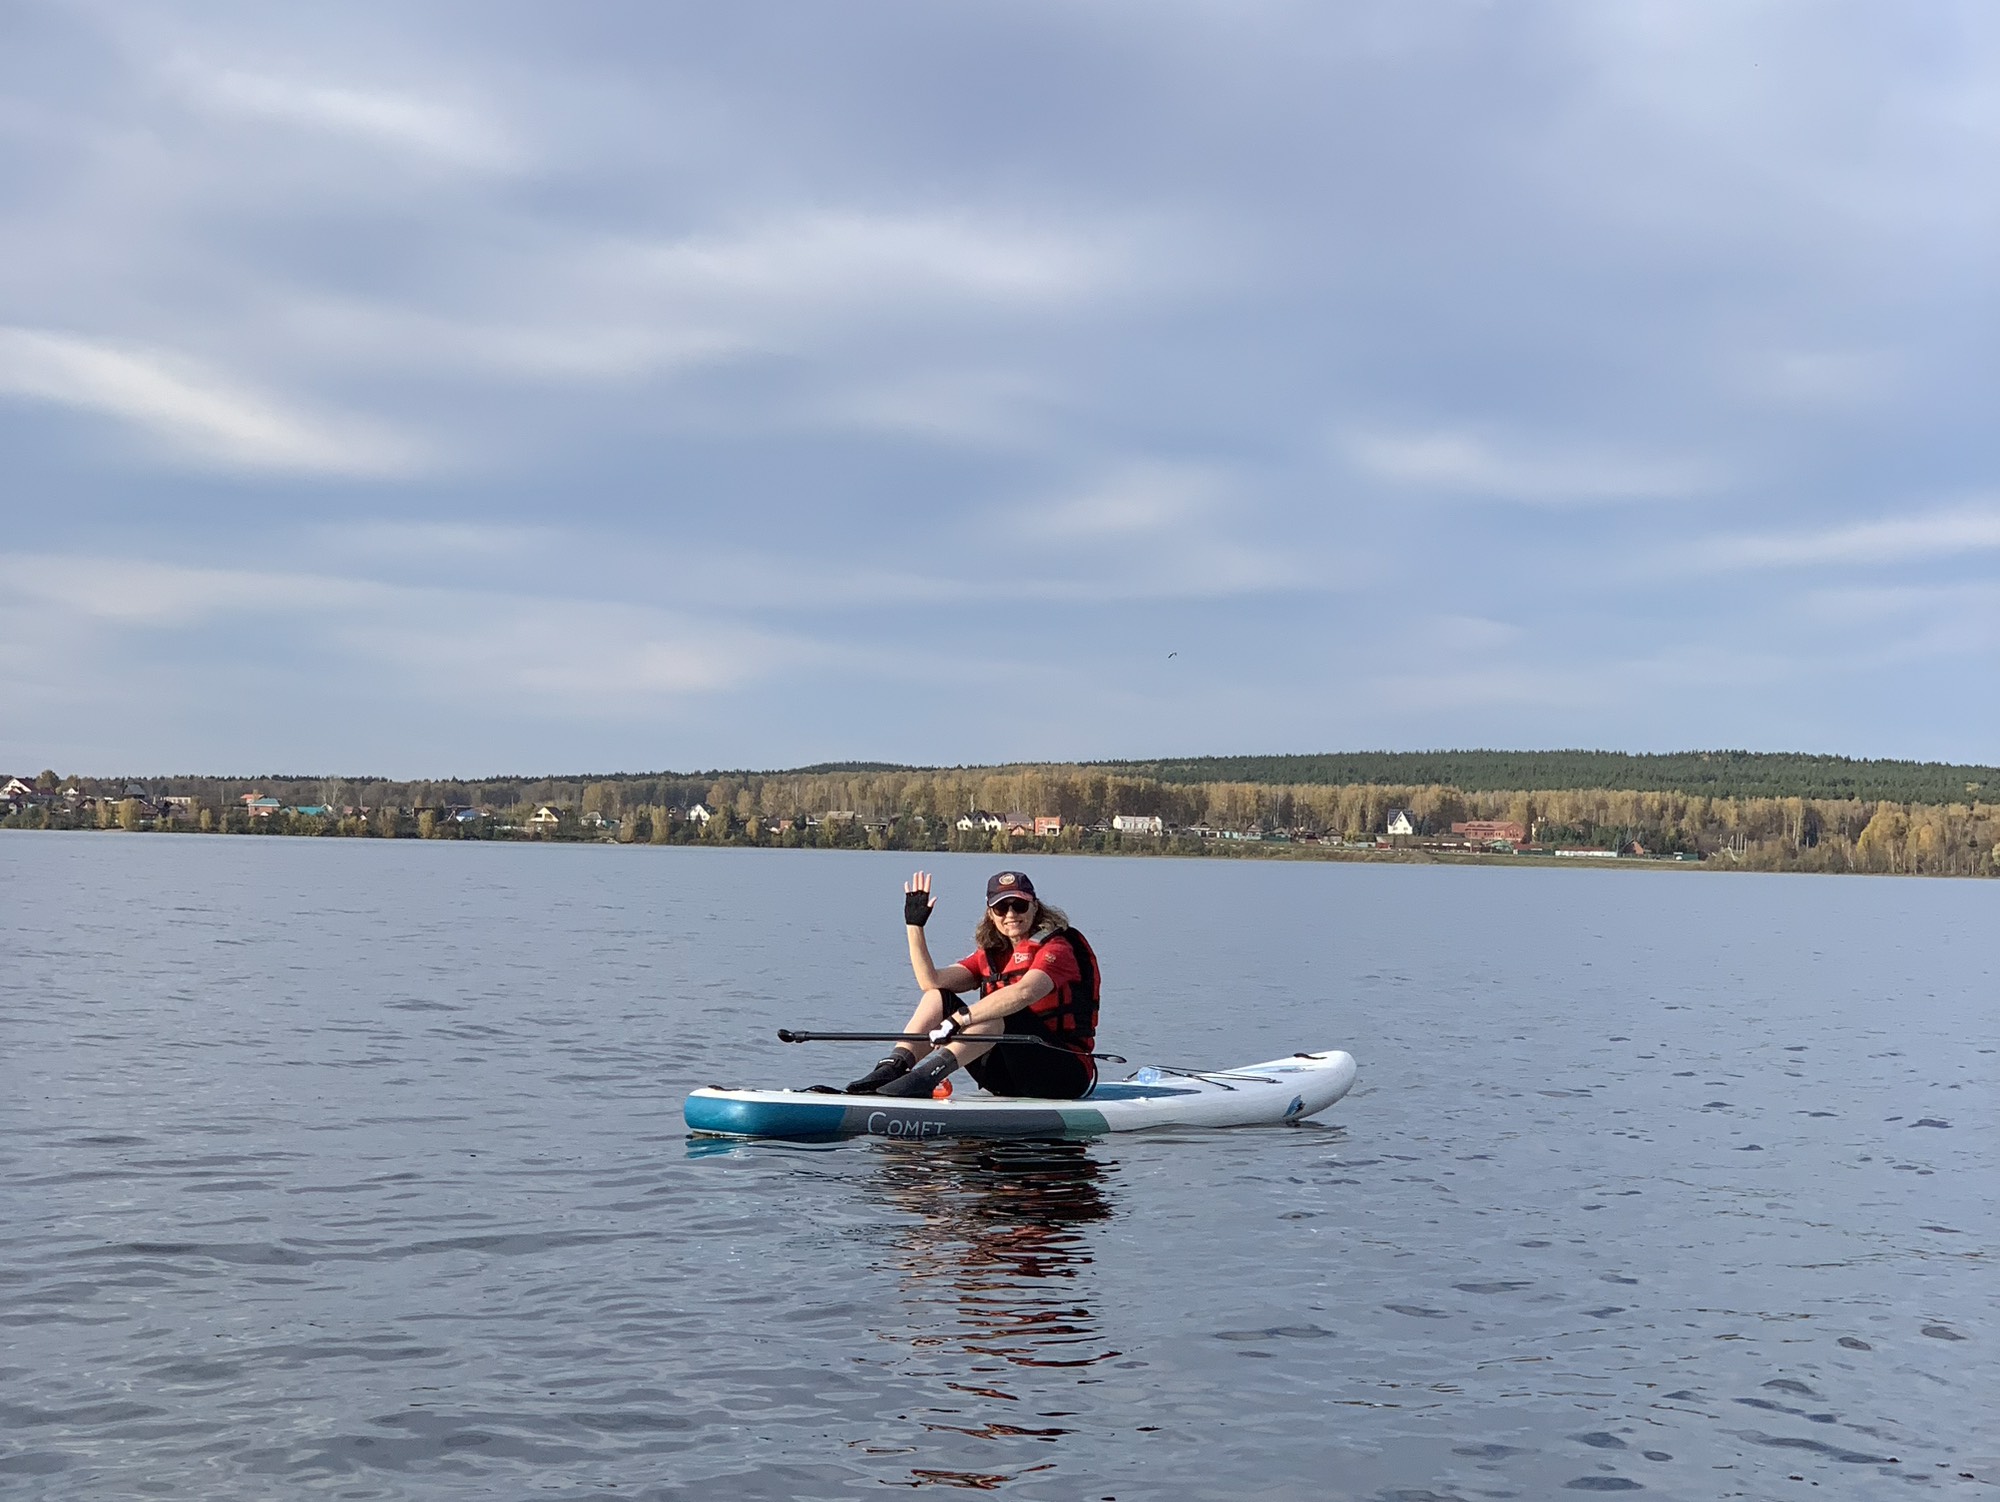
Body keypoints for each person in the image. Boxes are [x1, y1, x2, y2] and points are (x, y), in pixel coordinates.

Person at [846, 869, 1101, 1099]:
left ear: (1035, 907)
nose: (1011, 914)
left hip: (1064, 1074)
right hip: (1005, 1076)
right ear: (991, 914)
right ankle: (891, 1069)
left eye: (1019, 906)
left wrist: (959, 1019)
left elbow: (1024, 992)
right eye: (1002, 908)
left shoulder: (1059, 947)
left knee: (1000, 1014)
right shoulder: (991, 955)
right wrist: (915, 926)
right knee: (938, 996)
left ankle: (923, 1079)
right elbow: (930, 981)